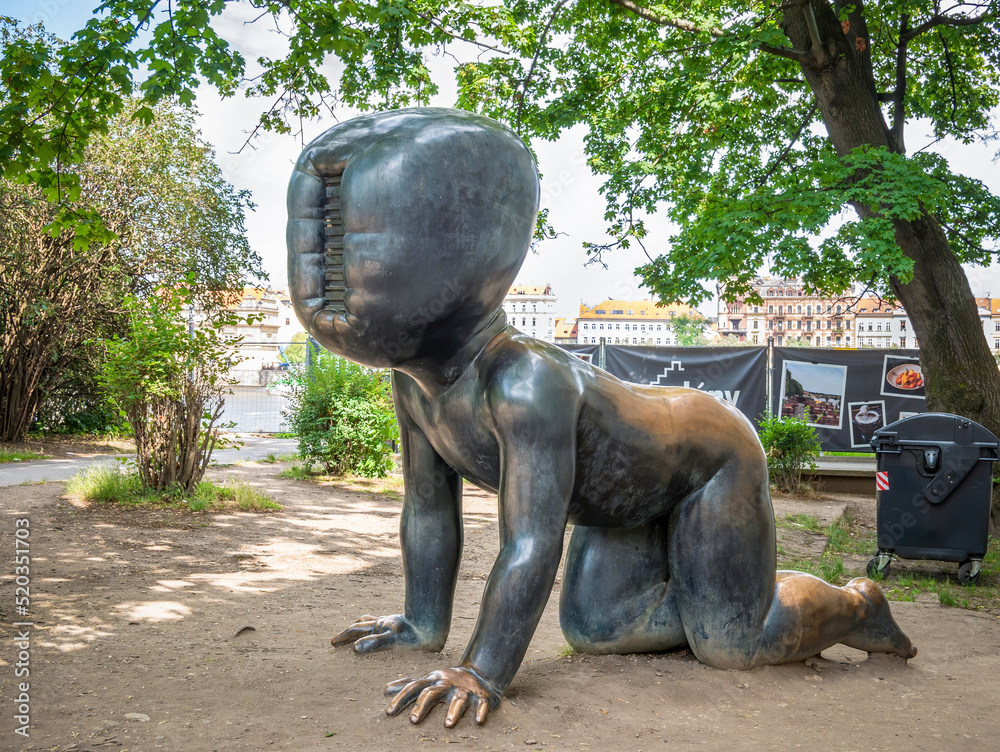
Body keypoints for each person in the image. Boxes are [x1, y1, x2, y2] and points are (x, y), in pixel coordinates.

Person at [286, 108, 916, 729]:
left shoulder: (523, 382)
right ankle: (705, 592)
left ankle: (854, 606)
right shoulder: (416, 384)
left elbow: (532, 541)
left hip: (707, 461)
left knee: (733, 646)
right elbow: (427, 508)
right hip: (620, 500)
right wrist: (424, 624)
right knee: (597, 629)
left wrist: (481, 670)